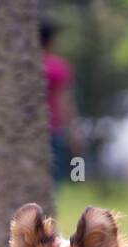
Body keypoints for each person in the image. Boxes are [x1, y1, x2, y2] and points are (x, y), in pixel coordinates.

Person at [41, 18, 80, 183]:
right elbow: (63, 101)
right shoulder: (58, 67)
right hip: (52, 128)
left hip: (25, 131)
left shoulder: (20, 67)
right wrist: (74, 131)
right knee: (52, 181)